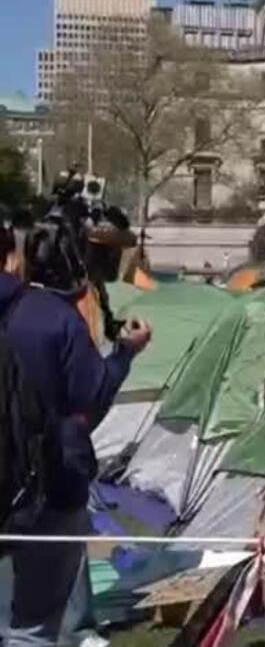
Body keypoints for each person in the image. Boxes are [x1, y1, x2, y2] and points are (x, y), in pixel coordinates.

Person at [0, 220, 150, 646]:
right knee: (31, 629)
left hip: (22, 485)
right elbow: (90, 399)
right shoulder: (52, 319)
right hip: (48, 484)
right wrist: (124, 353)